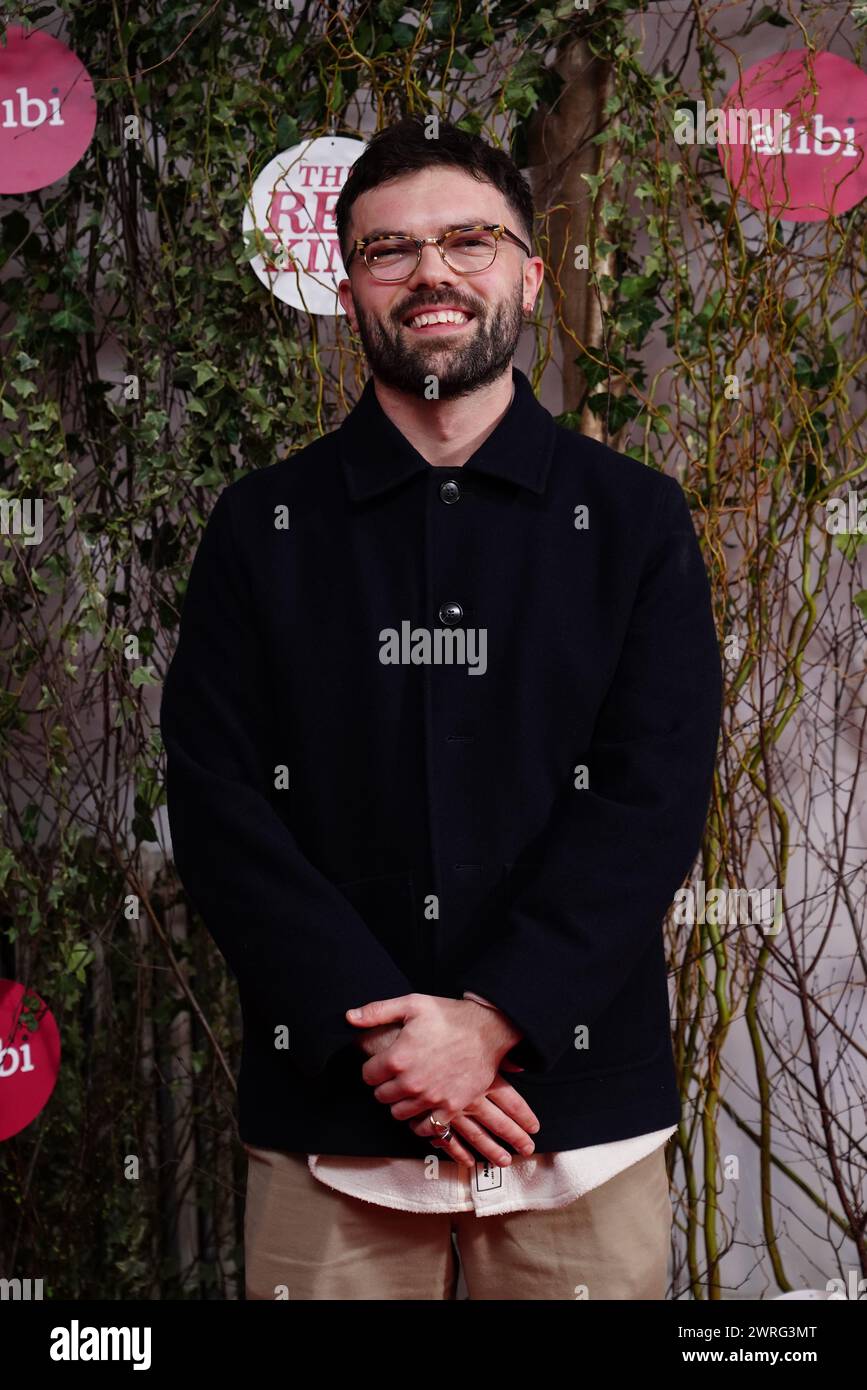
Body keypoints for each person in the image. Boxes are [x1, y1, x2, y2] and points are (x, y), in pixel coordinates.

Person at [159, 116, 722, 1300]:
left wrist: (497, 1019)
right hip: (334, 1119)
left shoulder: (635, 520)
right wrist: (387, 1041)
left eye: (469, 240)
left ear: (529, 273)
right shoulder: (260, 530)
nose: (433, 273)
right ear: (349, 291)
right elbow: (219, 813)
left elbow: (652, 797)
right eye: (391, 250)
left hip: (577, 1121)